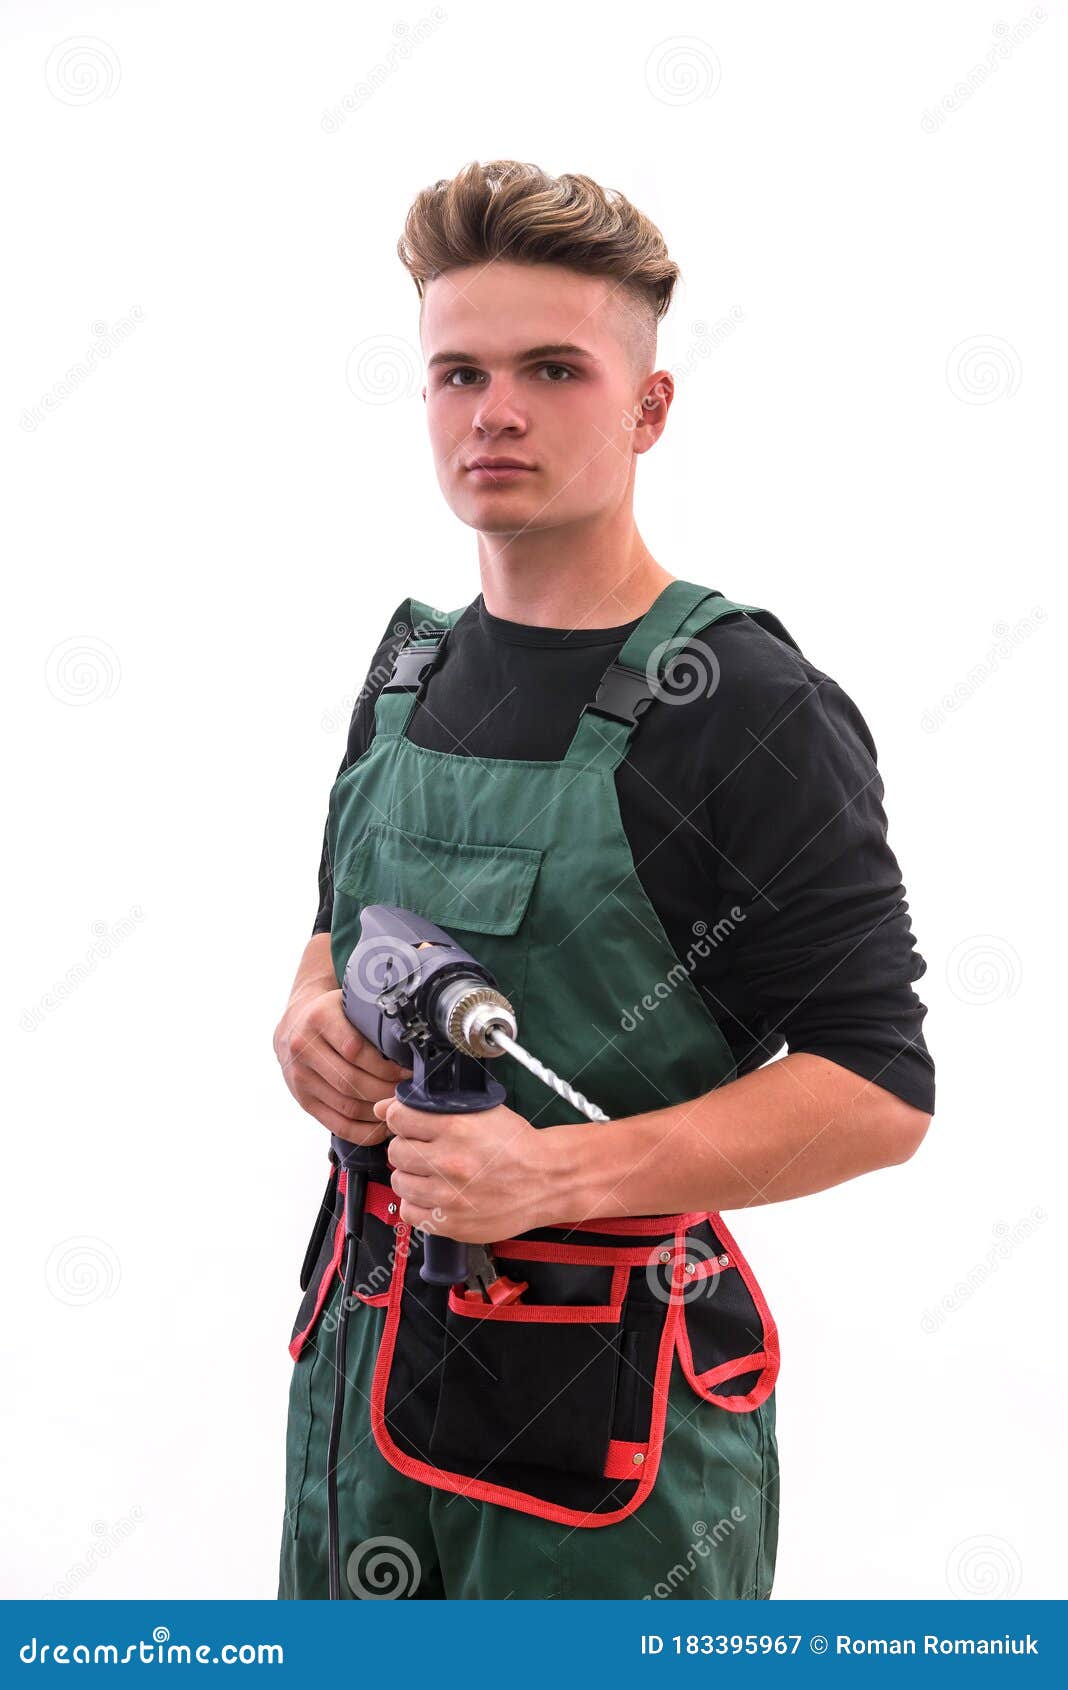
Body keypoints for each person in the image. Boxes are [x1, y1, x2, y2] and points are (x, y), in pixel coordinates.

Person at [273, 160, 935, 1601]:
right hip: (353, 1398)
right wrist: (308, 1015)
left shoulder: (744, 705)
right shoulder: (407, 670)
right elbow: (339, 931)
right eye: (458, 372)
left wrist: (556, 1168)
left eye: (551, 369)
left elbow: (877, 1090)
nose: (493, 411)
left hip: (606, 1456)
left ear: (647, 407)